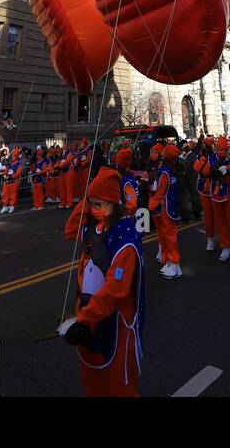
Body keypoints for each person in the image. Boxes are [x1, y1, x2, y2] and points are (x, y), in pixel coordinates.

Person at [61, 168, 143, 397]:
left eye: (100, 204)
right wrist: (86, 202)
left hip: (113, 322)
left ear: (113, 202)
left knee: (119, 386)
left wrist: (85, 321)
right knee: (93, 383)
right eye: (92, 204)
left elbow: (116, 289)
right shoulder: (91, 226)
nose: (95, 209)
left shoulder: (125, 234)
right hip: (88, 316)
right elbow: (70, 231)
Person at [149, 143, 183, 279]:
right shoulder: (173, 170)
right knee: (169, 235)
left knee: (169, 236)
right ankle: (173, 263)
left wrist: (152, 205)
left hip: (165, 207)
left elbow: (160, 192)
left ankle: (174, 263)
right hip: (172, 206)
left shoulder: (164, 172)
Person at [0, 148, 23, 213]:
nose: (11, 157)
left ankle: (12, 206)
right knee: (4, 194)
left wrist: (11, 177)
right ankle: (4, 206)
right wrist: (4, 174)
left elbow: (18, 173)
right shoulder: (10, 163)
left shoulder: (18, 164)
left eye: (13, 156)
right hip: (7, 182)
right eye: (11, 156)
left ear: (16, 157)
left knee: (13, 195)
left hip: (13, 182)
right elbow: (7, 169)